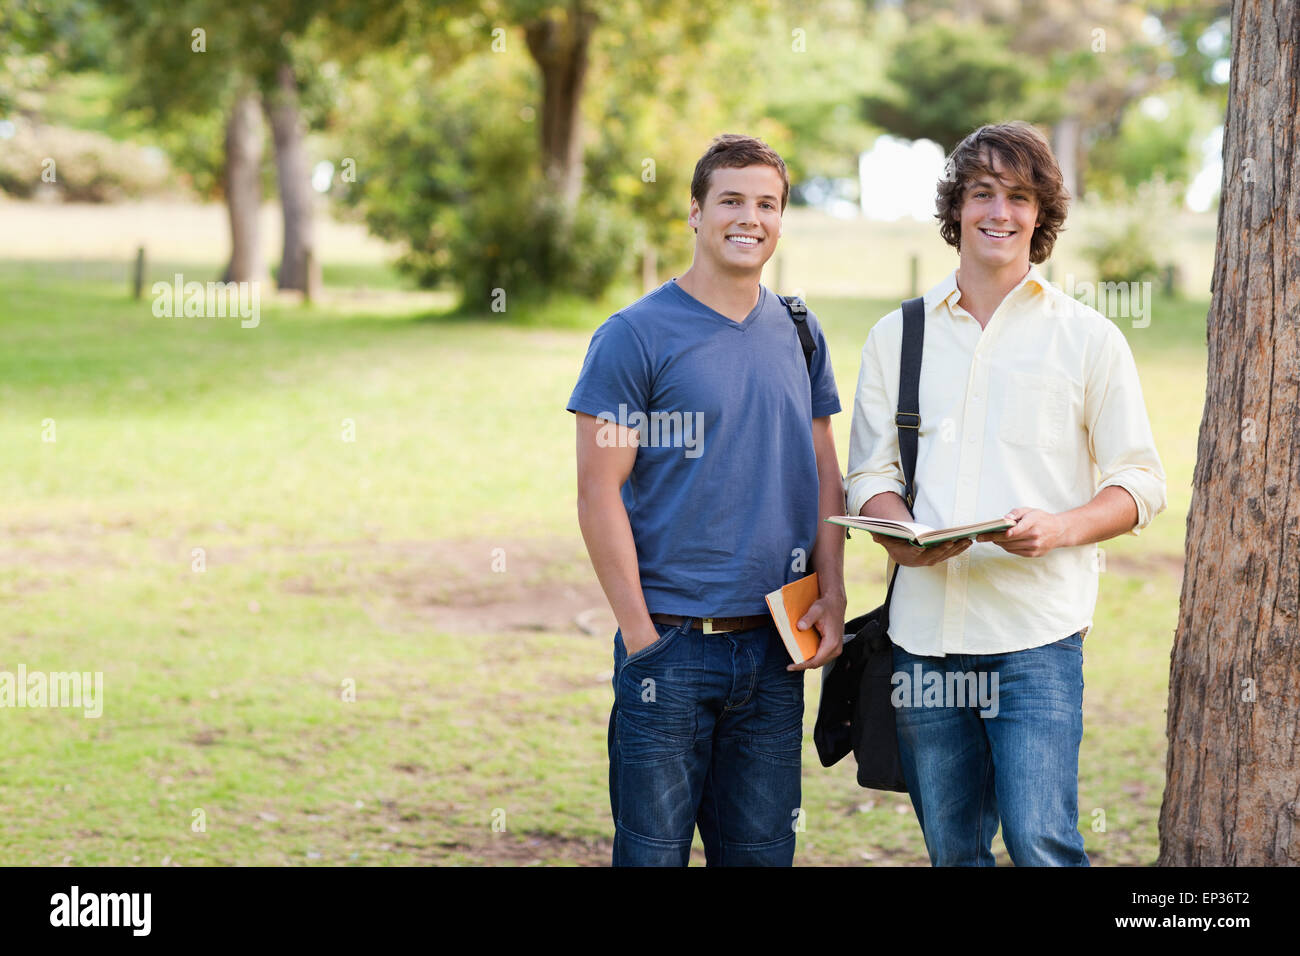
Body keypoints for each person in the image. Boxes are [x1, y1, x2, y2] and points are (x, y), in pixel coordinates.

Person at [845, 121, 1167, 866]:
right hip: (924, 640)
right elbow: (871, 476)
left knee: (1041, 843)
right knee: (954, 852)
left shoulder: (1088, 339)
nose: (1000, 211)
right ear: (956, 208)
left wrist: (1059, 527)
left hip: (1036, 640)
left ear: (1042, 215)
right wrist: (897, 532)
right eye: (982, 192)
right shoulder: (897, 336)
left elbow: (1141, 482)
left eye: (1020, 196)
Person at [567, 134, 845, 866]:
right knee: (652, 855)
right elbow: (598, 493)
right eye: (730, 200)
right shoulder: (633, 336)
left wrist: (835, 594)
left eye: (767, 204)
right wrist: (638, 638)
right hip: (670, 644)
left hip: (775, 649)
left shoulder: (800, 331)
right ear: (695, 213)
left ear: (781, 220)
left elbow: (825, 472)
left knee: (760, 855)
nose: (748, 218)